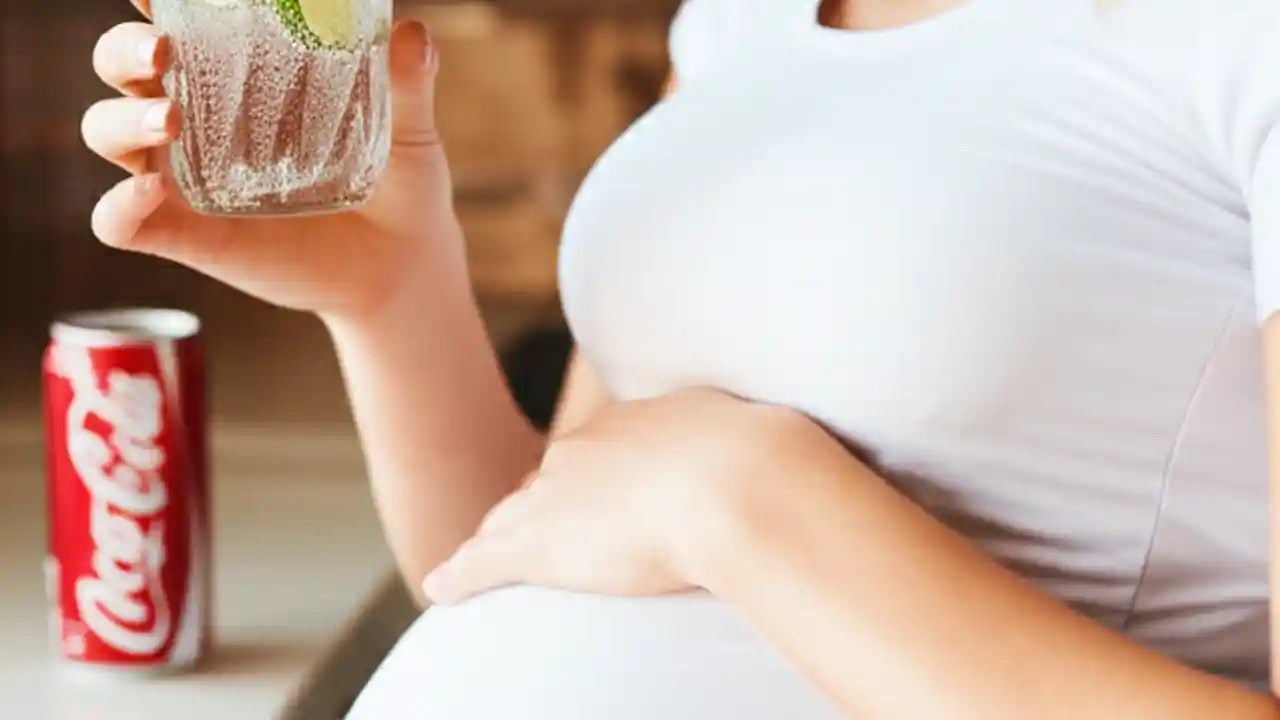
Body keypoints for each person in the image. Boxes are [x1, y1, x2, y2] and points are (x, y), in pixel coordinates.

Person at [83, 0, 1280, 717]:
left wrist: (740, 491)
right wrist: (393, 294)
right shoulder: (738, 21)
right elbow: (538, 546)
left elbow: (692, 506)